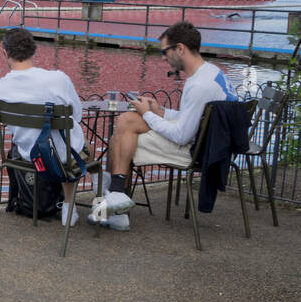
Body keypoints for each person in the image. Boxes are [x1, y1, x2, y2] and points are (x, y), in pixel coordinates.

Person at [90, 20, 233, 231]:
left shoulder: (199, 85)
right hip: (213, 142)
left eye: (165, 52)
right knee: (125, 128)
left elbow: (181, 135)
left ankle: (113, 202)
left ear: (180, 48)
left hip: (198, 151)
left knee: (122, 134)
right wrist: (161, 112)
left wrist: (147, 114)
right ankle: (115, 198)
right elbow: (189, 117)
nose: (164, 58)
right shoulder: (212, 72)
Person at [0, 27, 86, 226]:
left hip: (27, 154)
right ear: (34, 50)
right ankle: (71, 204)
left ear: (5, 53)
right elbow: (77, 116)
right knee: (79, 148)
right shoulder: (58, 78)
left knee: (63, 146)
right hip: (61, 157)